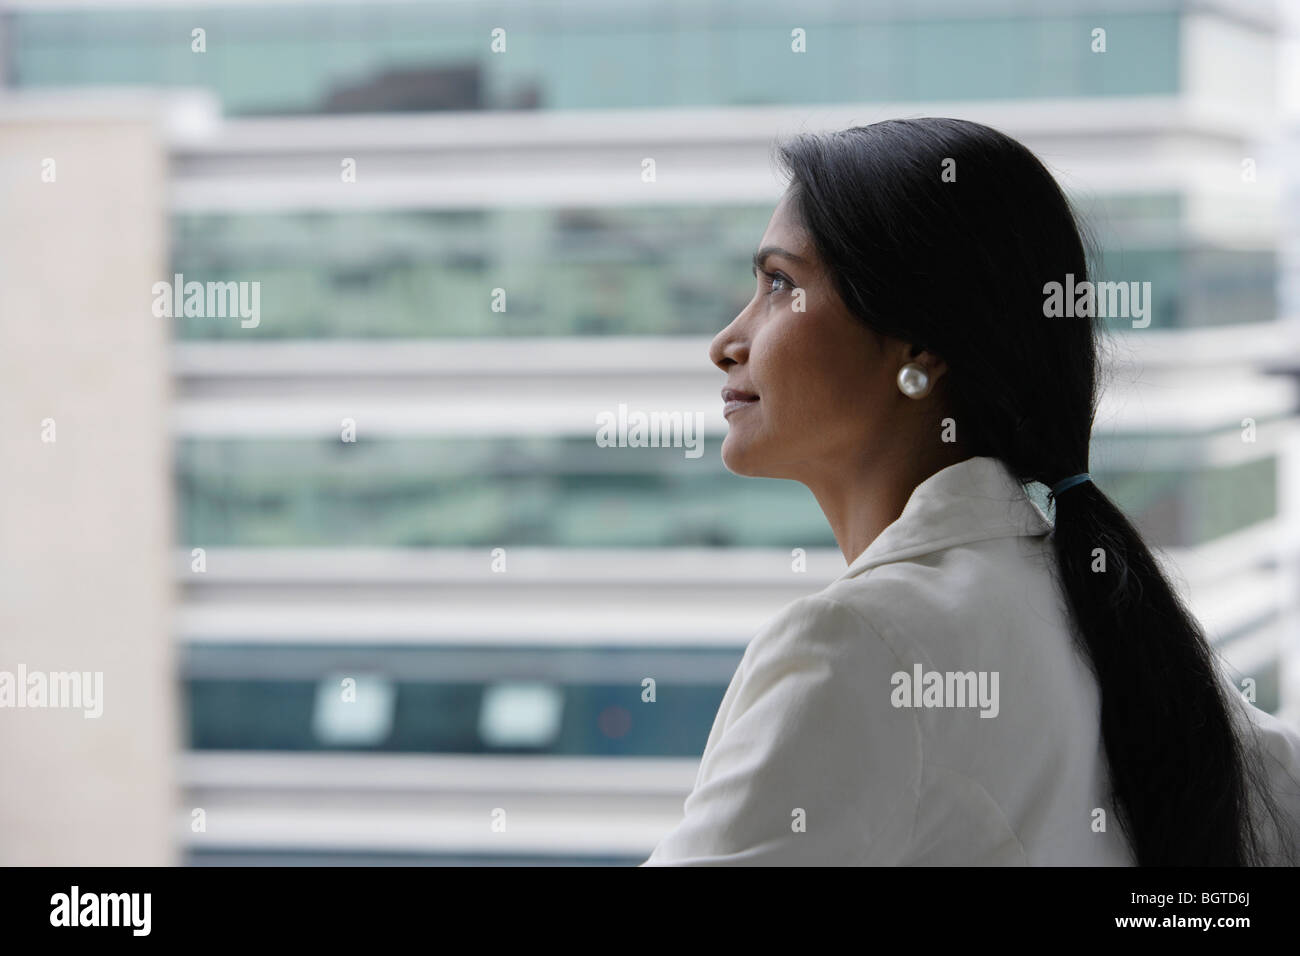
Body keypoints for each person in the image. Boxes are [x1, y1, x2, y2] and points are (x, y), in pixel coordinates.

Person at [641, 118, 1300, 866]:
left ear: (919, 343)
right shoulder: (1107, 620)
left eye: (780, 284)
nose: (727, 340)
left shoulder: (858, 647)